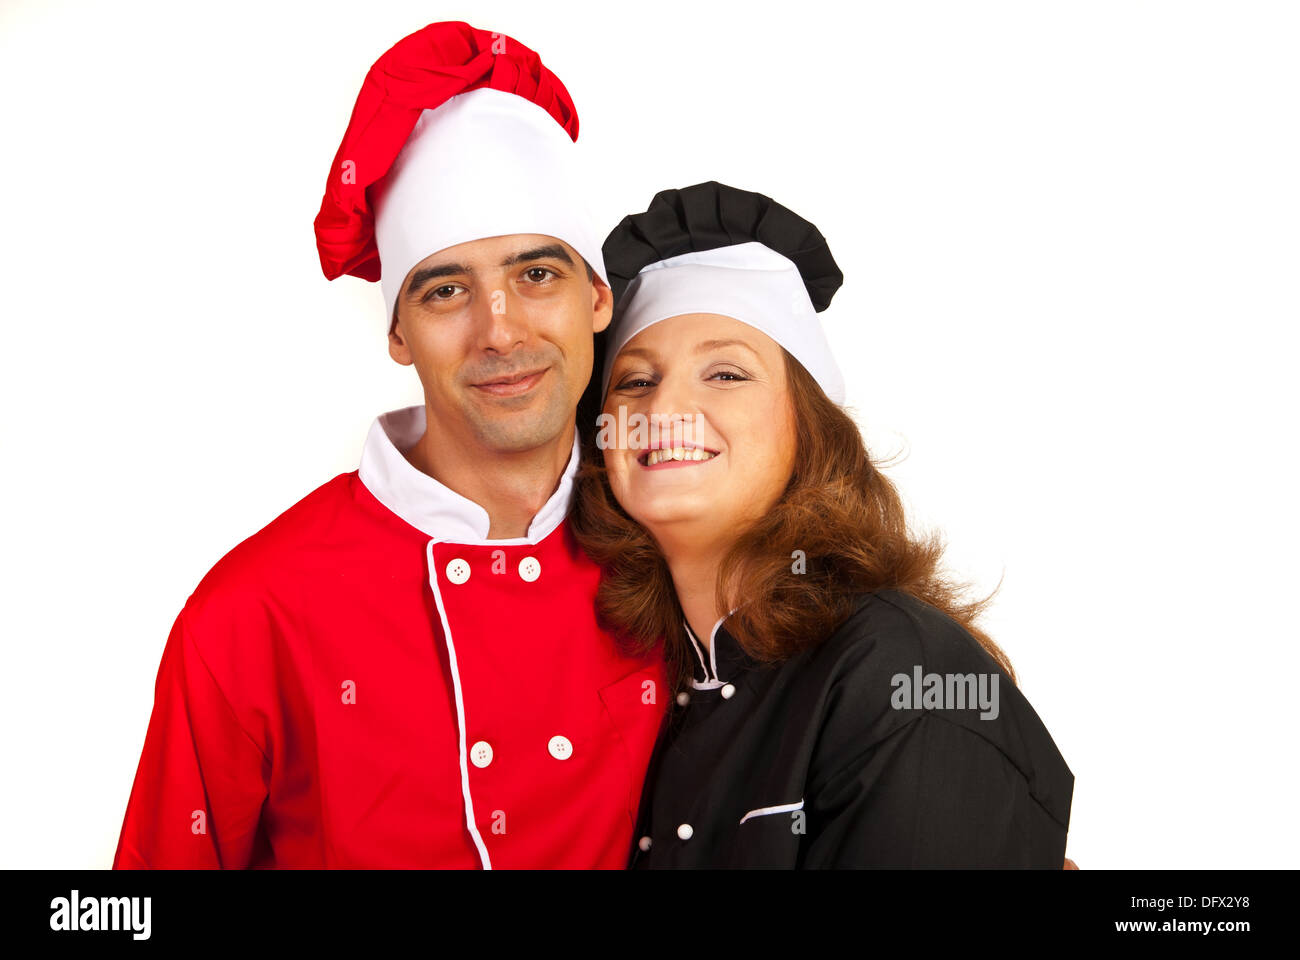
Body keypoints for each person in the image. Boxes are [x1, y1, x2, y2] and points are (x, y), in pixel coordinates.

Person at [112, 21, 668, 870]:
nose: (500, 330)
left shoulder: (680, 556)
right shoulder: (251, 614)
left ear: (597, 298)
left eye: (538, 275)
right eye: (446, 291)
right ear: (399, 333)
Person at [570, 180, 1076, 868]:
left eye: (725, 374)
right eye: (633, 381)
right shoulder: (650, 693)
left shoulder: (901, 668)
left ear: (809, 429)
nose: (667, 406)